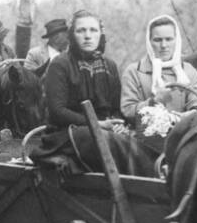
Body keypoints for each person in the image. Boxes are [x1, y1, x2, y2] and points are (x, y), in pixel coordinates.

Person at [28, 10, 138, 172]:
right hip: (67, 134)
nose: (88, 36)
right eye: (81, 31)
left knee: (133, 140)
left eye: (93, 30)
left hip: (105, 130)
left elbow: (116, 107)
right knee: (97, 139)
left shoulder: (110, 65)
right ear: (72, 35)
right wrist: (97, 124)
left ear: (101, 34)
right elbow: (57, 111)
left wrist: (118, 124)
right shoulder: (60, 64)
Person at [120, 14, 197, 134]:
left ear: (176, 40)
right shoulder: (134, 71)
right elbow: (127, 110)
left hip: (183, 137)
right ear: (149, 41)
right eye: (157, 40)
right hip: (145, 140)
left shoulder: (188, 71)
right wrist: (153, 101)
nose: (164, 45)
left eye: (169, 39)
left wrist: (190, 115)